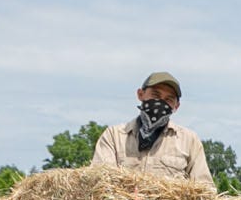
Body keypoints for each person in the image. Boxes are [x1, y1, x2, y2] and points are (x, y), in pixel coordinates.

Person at [87, 72, 215, 186]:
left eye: (168, 99)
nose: (160, 103)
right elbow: (99, 182)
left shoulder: (189, 140)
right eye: (155, 95)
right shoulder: (114, 136)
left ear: (176, 106)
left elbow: (204, 190)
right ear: (140, 94)